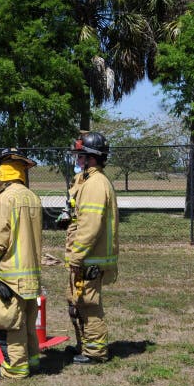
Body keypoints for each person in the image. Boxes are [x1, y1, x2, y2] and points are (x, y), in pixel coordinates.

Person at [0, 148, 43, 379]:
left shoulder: (4, 200)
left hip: (9, 275)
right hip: (31, 274)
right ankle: (33, 360)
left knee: (12, 324)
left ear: (2, 174)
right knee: (27, 321)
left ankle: (15, 368)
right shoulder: (32, 197)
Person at [64, 132, 119, 364]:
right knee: (77, 301)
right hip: (86, 256)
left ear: (92, 158)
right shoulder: (88, 181)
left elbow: (90, 226)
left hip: (90, 258)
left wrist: (76, 256)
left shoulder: (96, 184)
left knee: (89, 303)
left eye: (81, 156)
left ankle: (95, 353)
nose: (77, 160)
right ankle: (84, 346)